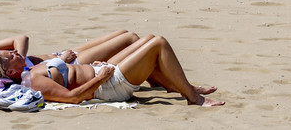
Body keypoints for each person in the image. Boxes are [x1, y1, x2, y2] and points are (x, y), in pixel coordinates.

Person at [14, 33, 221, 106]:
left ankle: (179, 86)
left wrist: (93, 68)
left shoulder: (27, 70)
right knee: (159, 43)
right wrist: (100, 78)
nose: (16, 54)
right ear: (10, 72)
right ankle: (193, 98)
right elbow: (72, 98)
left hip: (100, 73)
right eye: (10, 57)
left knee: (147, 38)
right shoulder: (33, 81)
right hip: (108, 87)